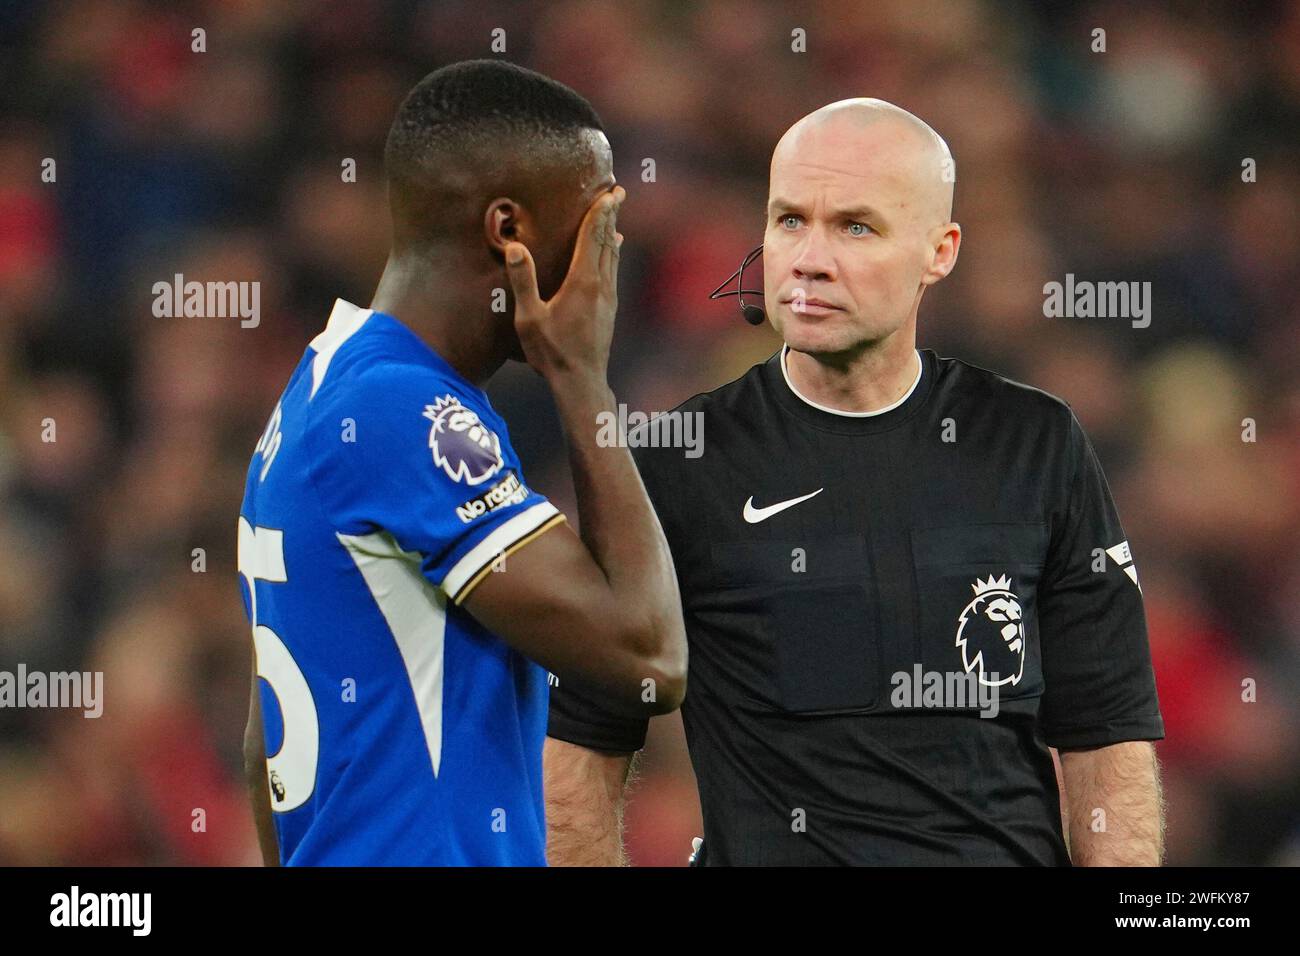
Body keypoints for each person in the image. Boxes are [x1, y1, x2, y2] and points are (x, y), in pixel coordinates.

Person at [545, 98, 1165, 866]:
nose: (808, 257)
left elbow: (1107, 736)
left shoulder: (1035, 444)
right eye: (789, 220)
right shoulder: (679, 465)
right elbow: (579, 751)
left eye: (855, 227)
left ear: (940, 252)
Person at [236, 59, 686, 866]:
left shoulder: (327, 384)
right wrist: (583, 378)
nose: (609, 258)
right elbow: (646, 656)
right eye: (597, 222)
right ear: (508, 230)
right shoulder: (400, 410)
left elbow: (257, 744)